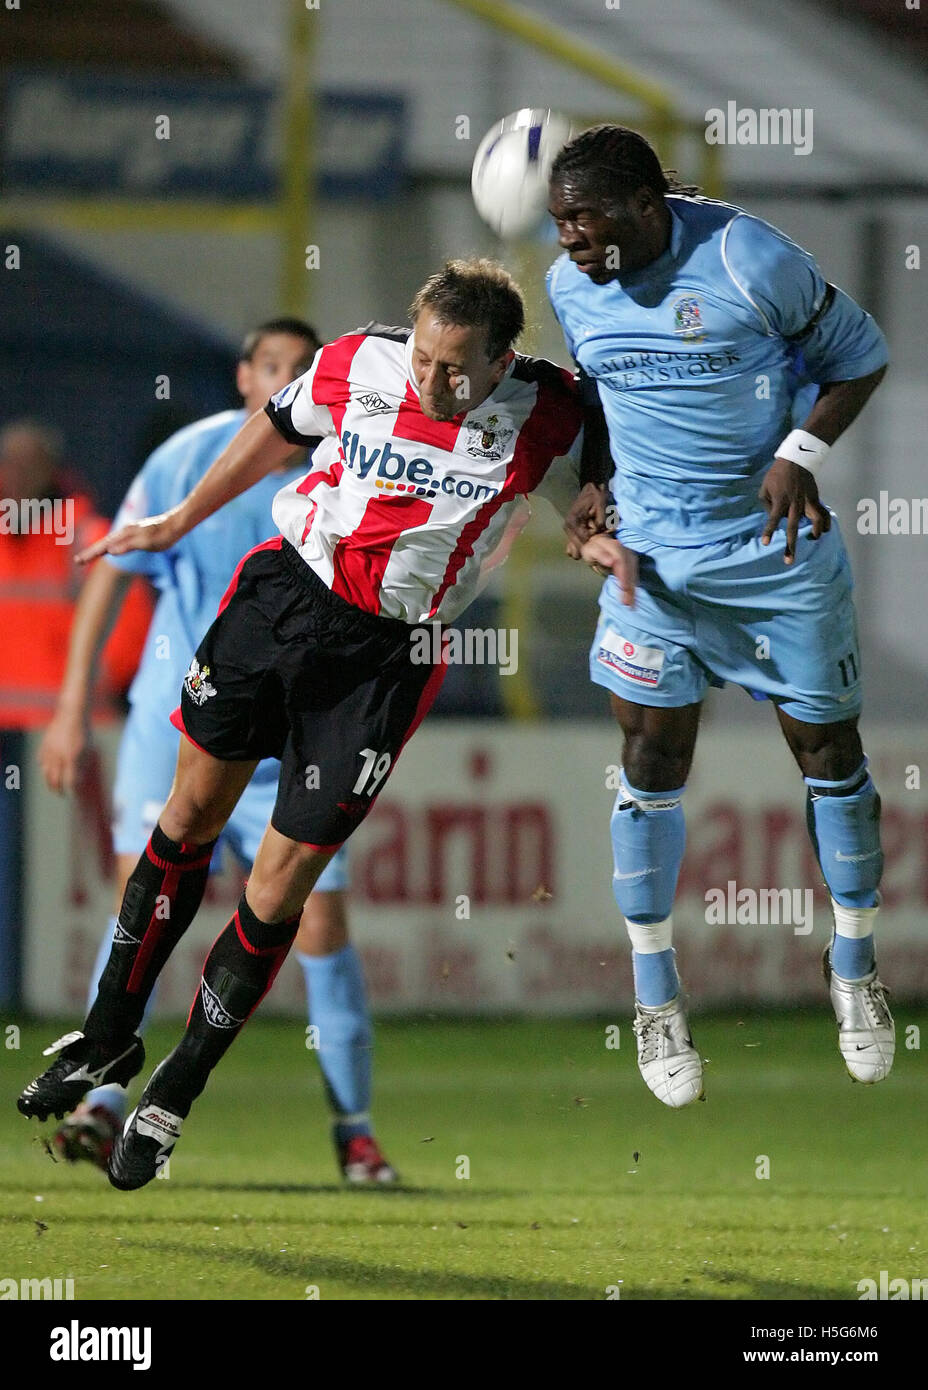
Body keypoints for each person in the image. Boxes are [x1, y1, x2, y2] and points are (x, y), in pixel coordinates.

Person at [18, 259, 584, 1189]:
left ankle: (176, 1092)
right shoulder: (361, 360)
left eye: (456, 370)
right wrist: (176, 520)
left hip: (385, 661)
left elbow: (607, 458)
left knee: (285, 886)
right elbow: (277, 433)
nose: (433, 382)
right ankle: (109, 1038)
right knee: (186, 820)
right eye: (426, 360)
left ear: (501, 360)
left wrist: (593, 512)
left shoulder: (550, 406)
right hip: (281, 601)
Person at [546, 125, 891, 1108]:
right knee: (651, 758)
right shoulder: (571, 287)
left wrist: (801, 453)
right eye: (557, 218)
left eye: (584, 215)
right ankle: (655, 997)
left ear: (645, 205)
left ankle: (855, 965)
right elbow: (605, 399)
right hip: (653, 566)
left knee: (827, 753)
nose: (567, 236)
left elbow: (860, 358)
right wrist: (595, 481)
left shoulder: (750, 259)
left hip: (774, 555)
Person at [36, 318, 397, 1184]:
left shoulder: (348, 466)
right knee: (150, 895)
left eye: (302, 371)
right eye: (271, 369)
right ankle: (103, 1095)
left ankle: (354, 1130)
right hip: (183, 719)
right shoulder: (194, 456)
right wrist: (71, 708)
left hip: (296, 730)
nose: (285, 384)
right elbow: (114, 568)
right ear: (245, 379)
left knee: (317, 924)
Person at [0, 420, 152, 727]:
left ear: (54, 472)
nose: (17, 478)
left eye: (29, 466)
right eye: (9, 465)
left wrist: (78, 688)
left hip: (69, 733)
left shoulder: (91, 541)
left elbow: (130, 639)